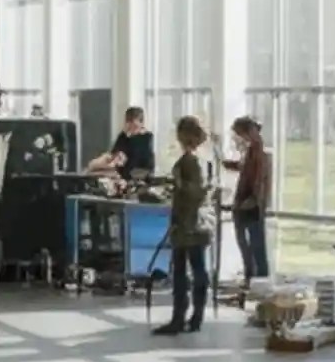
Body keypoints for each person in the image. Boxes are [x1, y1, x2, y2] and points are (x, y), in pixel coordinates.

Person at [153, 116, 210, 336]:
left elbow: (194, 192)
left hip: (188, 223)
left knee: (181, 272)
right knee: (197, 269)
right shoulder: (205, 159)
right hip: (201, 222)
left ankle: (179, 318)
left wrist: (177, 183)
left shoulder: (190, 160)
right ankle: (196, 317)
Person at [223, 116, 271, 283]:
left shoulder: (258, 155)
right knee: (251, 246)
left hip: (251, 209)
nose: (236, 141)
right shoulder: (252, 153)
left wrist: (243, 204)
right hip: (249, 206)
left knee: (253, 247)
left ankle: (256, 281)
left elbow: (257, 182)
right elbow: (245, 170)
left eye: (237, 136)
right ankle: (253, 279)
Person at [87, 107, 155, 180]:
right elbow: (115, 154)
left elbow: (141, 159)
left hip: (139, 175)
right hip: (122, 174)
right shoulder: (124, 137)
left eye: (134, 126)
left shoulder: (146, 138)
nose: (132, 129)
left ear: (141, 124)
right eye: (129, 125)